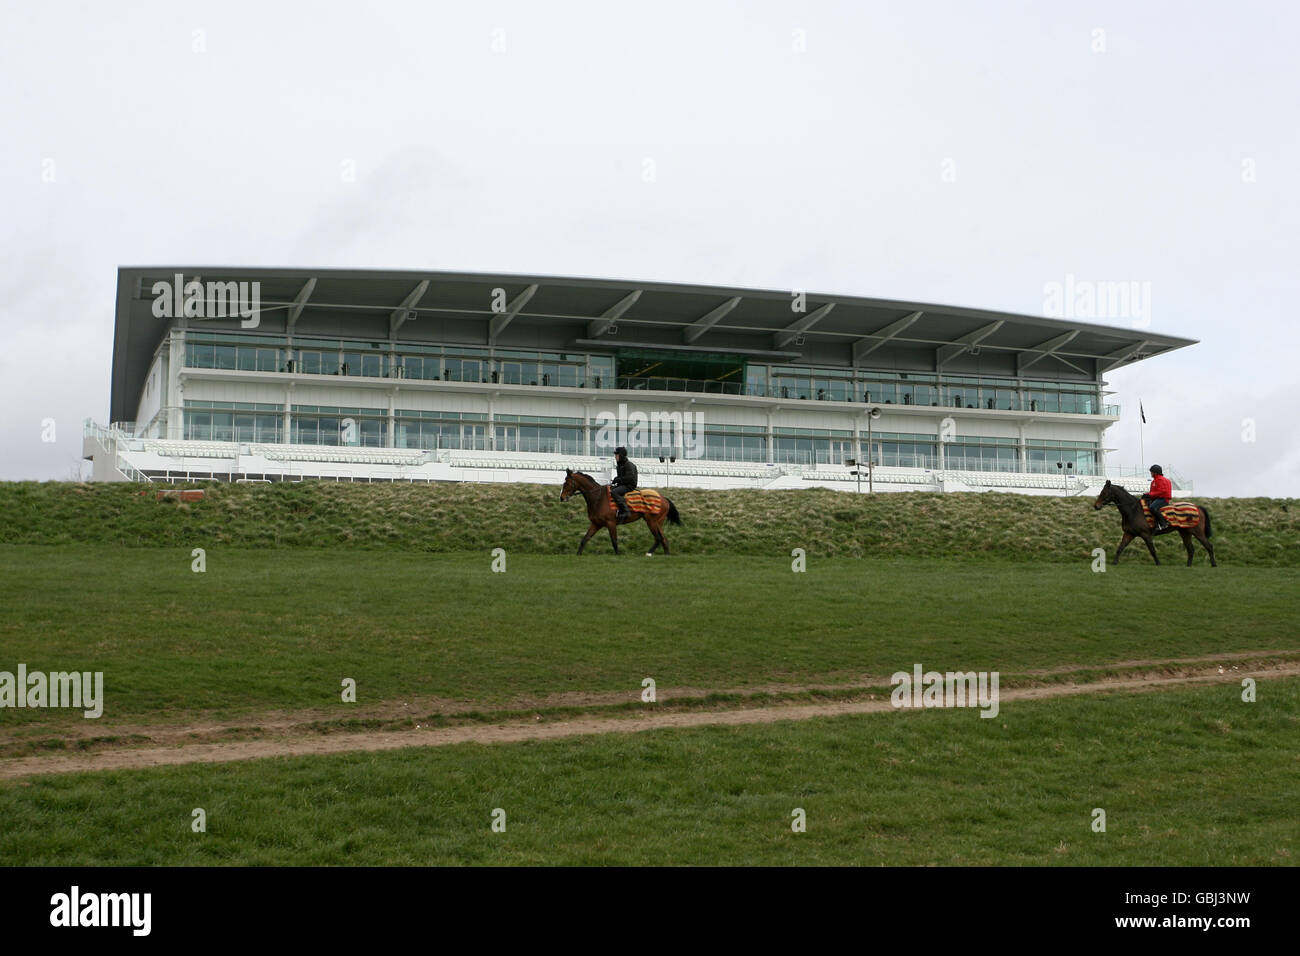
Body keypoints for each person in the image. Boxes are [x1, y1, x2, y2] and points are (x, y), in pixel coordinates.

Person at [611, 446, 638, 520]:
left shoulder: (629, 465)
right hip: (623, 485)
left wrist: (618, 479)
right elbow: (621, 478)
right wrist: (616, 480)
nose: (615, 457)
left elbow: (630, 478)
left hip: (629, 486)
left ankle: (625, 511)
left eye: (617, 455)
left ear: (621, 455)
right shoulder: (619, 465)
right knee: (609, 489)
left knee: (614, 492)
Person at [1143, 464, 1172, 531]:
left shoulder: (1161, 480)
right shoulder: (1154, 481)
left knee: (1152, 507)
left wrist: (1149, 495)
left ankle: (1164, 523)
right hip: (1157, 498)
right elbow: (1154, 492)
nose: (1151, 473)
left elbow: (1162, 491)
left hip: (1163, 499)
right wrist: (1146, 494)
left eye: (1151, 472)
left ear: (1155, 473)